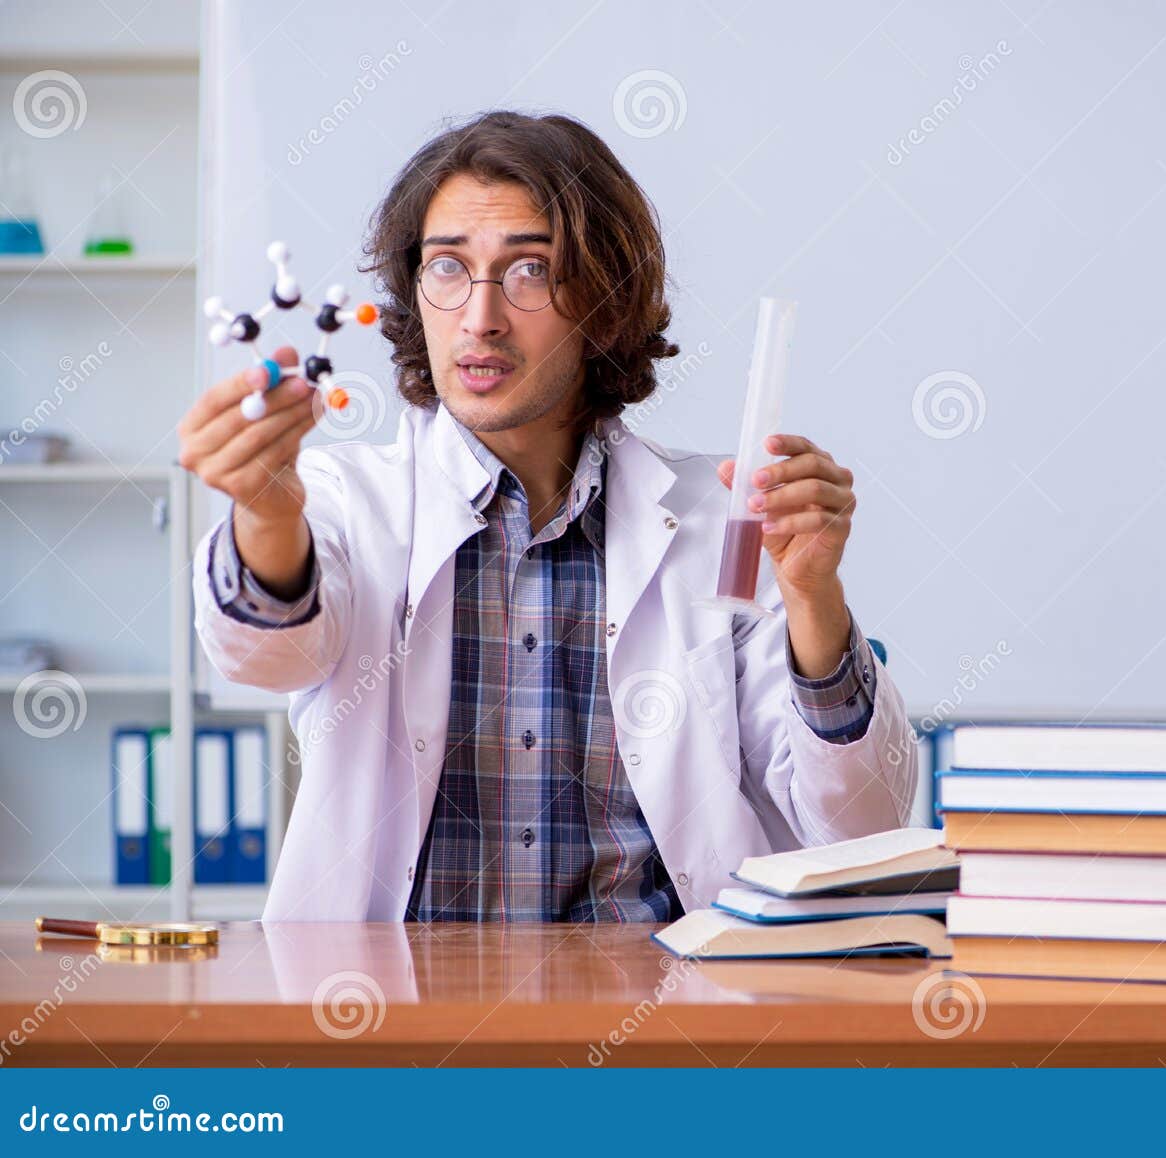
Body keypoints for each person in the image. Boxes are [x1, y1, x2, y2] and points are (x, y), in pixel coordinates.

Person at [178, 110, 916, 922]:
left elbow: (861, 825)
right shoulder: (351, 502)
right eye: (449, 268)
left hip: (671, 1023)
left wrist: (814, 594)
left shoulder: (723, 522)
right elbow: (267, 657)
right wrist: (266, 514)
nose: (480, 316)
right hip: (399, 1028)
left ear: (604, 303)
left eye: (529, 270)